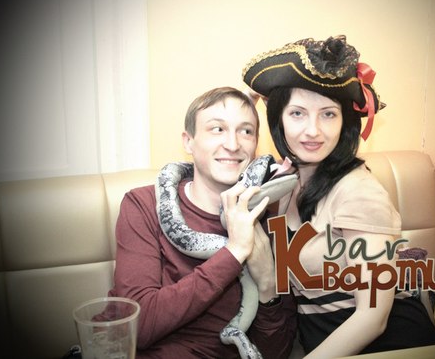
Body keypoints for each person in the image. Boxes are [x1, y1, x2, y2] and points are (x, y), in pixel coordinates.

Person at [242, 36, 435, 357]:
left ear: (344, 122)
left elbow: (372, 317)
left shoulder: (359, 191)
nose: (313, 130)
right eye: (297, 113)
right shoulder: (283, 183)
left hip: (389, 347)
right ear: (277, 118)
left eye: (328, 114)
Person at [108, 87, 297, 358]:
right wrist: (234, 252)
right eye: (217, 129)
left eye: (246, 131)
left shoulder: (270, 218)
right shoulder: (143, 205)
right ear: (188, 142)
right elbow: (139, 326)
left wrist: (267, 283)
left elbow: (277, 352)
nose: (233, 144)